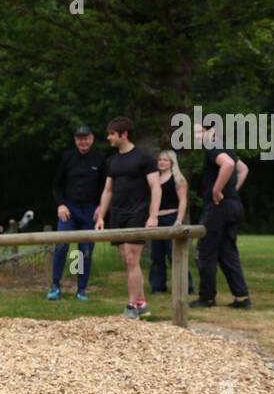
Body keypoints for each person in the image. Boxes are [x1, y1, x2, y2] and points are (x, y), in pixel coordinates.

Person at [94, 117, 160, 319]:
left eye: (112, 134)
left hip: (137, 213)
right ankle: (141, 303)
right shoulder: (112, 161)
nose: (108, 137)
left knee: (132, 259)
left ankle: (131, 307)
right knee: (127, 259)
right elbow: (108, 191)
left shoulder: (143, 158)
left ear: (124, 135)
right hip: (118, 214)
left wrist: (153, 216)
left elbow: (156, 187)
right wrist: (101, 217)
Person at [190, 120, 252, 309]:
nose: (196, 136)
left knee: (205, 252)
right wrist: (231, 190)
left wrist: (217, 191)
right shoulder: (225, 147)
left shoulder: (212, 147)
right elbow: (243, 169)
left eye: (199, 132)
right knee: (227, 253)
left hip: (218, 208)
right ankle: (242, 298)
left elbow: (227, 165)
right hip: (233, 205)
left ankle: (206, 298)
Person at [48, 126, 108, 301]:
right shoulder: (67, 158)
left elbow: (107, 187)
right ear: (75, 141)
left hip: (90, 209)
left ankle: (80, 288)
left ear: (92, 139)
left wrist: (100, 207)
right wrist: (60, 205)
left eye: (86, 138)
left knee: (84, 251)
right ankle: (55, 285)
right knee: (61, 244)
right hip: (69, 208)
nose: (83, 142)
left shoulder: (99, 159)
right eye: (79, 139)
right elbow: (56, 186)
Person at [148, 149, 193, 294]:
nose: (161, 162)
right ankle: (158, 286)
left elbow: (183, 201)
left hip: (172, 218)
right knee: (156, 255)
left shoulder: (178, 179)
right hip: (157, 220)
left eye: (165, 160)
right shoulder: (154, 180)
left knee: (174, 254)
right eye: (160, 159)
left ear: (172, 162)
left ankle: (185, 285)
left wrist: (179, 220)